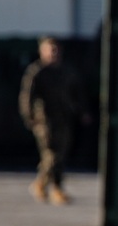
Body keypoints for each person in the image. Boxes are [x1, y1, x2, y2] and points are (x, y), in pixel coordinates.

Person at [19, 36, 90, 205]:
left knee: (61, 152)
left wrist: (83, 112)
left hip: (64, 119)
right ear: (41, 51)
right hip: (44, 120)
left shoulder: (67, 71)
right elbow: (27, 97)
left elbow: (78, 94)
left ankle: (41, 183)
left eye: (56, 50)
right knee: (52, 154)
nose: (53, 53)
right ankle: (56, 188)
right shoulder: (37, 71)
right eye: (50, 50)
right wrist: (29, 117)